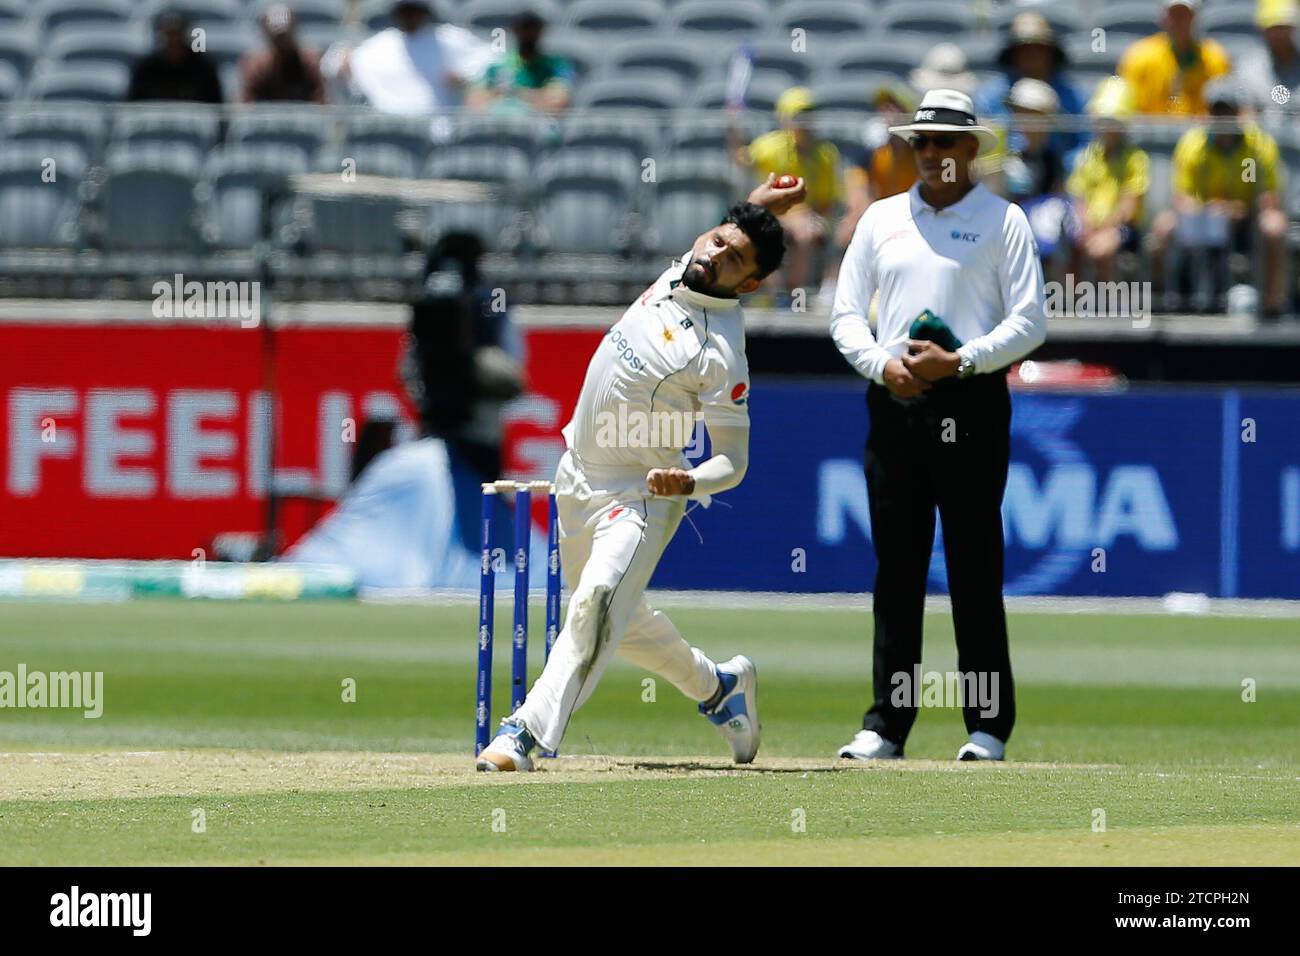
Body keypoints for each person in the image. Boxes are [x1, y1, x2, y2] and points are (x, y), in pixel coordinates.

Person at [475, 175, 806, 772]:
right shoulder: (682, 272)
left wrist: (692, 481)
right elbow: (731, 233)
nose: (714, 254)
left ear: (749, 285)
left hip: (642, 495)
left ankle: (523, 733)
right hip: (576, 474)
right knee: (615, 620)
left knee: (596, 605)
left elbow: (735, 461)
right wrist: (759, 206)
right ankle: (718, 687)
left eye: (732, 259)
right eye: (714, 241)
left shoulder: (721, 352)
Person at [829, 90, 1047, 763]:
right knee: (897, 568)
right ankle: (887, 725)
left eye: (944, 142)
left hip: (972, 403)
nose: (930, 154)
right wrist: (883, 366)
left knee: (974, 565)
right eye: (921, 142)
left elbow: (1030, 322)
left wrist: (962, 360)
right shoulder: (881, 219)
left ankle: (986, 727)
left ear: (972, 149)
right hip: (895, 404)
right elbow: (844, 316)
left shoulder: (1003, 220)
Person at [1151, 79, 1288, 316]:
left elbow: (1270, 196)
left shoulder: (1258, 145)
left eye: (1228, 111)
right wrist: (1205, 210)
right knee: (1163, 227)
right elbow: (1181, 196)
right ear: (1208, 112)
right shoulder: (1193, 144)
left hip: (1247, 219)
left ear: (1238, 113)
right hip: (1203, 219)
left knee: (1274, 226)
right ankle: (1163, 300)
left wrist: (1240, 209)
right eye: (1217, 111)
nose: (1222, 117)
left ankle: (1272, 305)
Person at [732, 87, 841, 299]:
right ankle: (774, 293)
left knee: (806, 233)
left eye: (809, 116)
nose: (806, 122)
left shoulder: (826, 154)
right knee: (758, 233)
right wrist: (734, 130)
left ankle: (790, 295)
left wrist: (807, 215)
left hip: (808, 217)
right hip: (771, 213)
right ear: (786, 119)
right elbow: (742, 161)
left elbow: (827, 201)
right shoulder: (769, 146)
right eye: (799, 116)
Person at [822, 83, 918, 304]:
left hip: (914, 214)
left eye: (894, 107)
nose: (888, 113)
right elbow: (857, 186)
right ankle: (832, 287)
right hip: (883, 210)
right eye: (884, 107)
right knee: (848, 228)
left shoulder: (920, 152)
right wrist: (861, 211)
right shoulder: (873, 149)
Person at [336, 0, 492, 116]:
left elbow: (489, 58)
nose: (410, 16)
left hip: (439, 128)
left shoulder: (448, 38)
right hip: (390, 127)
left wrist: (465, 78)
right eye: (405, 11)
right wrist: (344, 64)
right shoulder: (380, 44)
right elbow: (339, 64)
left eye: (414, 10)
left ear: (425, 12)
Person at [1066, 77, 1150, 282]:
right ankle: (1073, 304)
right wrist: (1085, 228)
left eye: (1111, 122)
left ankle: (1108, 306)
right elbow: (1079, 198)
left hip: (1123, 229)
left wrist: (1103, 230)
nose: (1105, 128)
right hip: (1090, 227)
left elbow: (1129, 210)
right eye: (1102, 121)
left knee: (1103, 250)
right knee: (1070, 244)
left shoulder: (1136, 159)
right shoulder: (1087, 156)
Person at [974, 11, 1084, 156]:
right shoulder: (990, 97)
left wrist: (1060, 166)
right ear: (1013, 54)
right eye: (1024, 49)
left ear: (1050, 53)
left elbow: (1085, 145)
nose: (1031, 56)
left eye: (1038, 49)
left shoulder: (1073, 97)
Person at [1118, 0, 1231, 115]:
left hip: (1197, 131)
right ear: (1164, 18)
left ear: (1194, 18)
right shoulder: (1139, 56)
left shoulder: (1214, 57)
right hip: (1149, 131)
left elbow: (1219, 111)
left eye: (1184, 15)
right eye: (1174, 15)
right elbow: (1130, 108)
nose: (1179, 21)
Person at [467, 9, 574, 115]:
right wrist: (537, 96)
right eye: (524, 28)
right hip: (500, 126)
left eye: (533, 29)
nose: (528, 34)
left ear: (541, 31)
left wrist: (513, 93)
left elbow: (556, 104)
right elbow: (476, 104)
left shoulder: (555, 66)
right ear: (514, 30)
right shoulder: (498, 65)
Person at [126, 9, 223, 103]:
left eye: (177, 34)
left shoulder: (204, 68)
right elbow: (132, 106)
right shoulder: (145, 69)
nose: (173, 40)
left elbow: (216, 108)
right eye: (168, 34)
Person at [237, 4, 325, 104]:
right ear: (266, 34)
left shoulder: (309, 62)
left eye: (285, 36)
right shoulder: (255, 65)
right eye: (277, 37)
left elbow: (322, 104)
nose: (282, 42)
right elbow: (246, 105)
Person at [1234, 0, 1300, 119]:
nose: (1279, 34)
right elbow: (1244, 114)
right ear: (1262, 29)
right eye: (1274, 28)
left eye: (1284, 27)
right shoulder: (1247, 69)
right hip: (1262, 136)